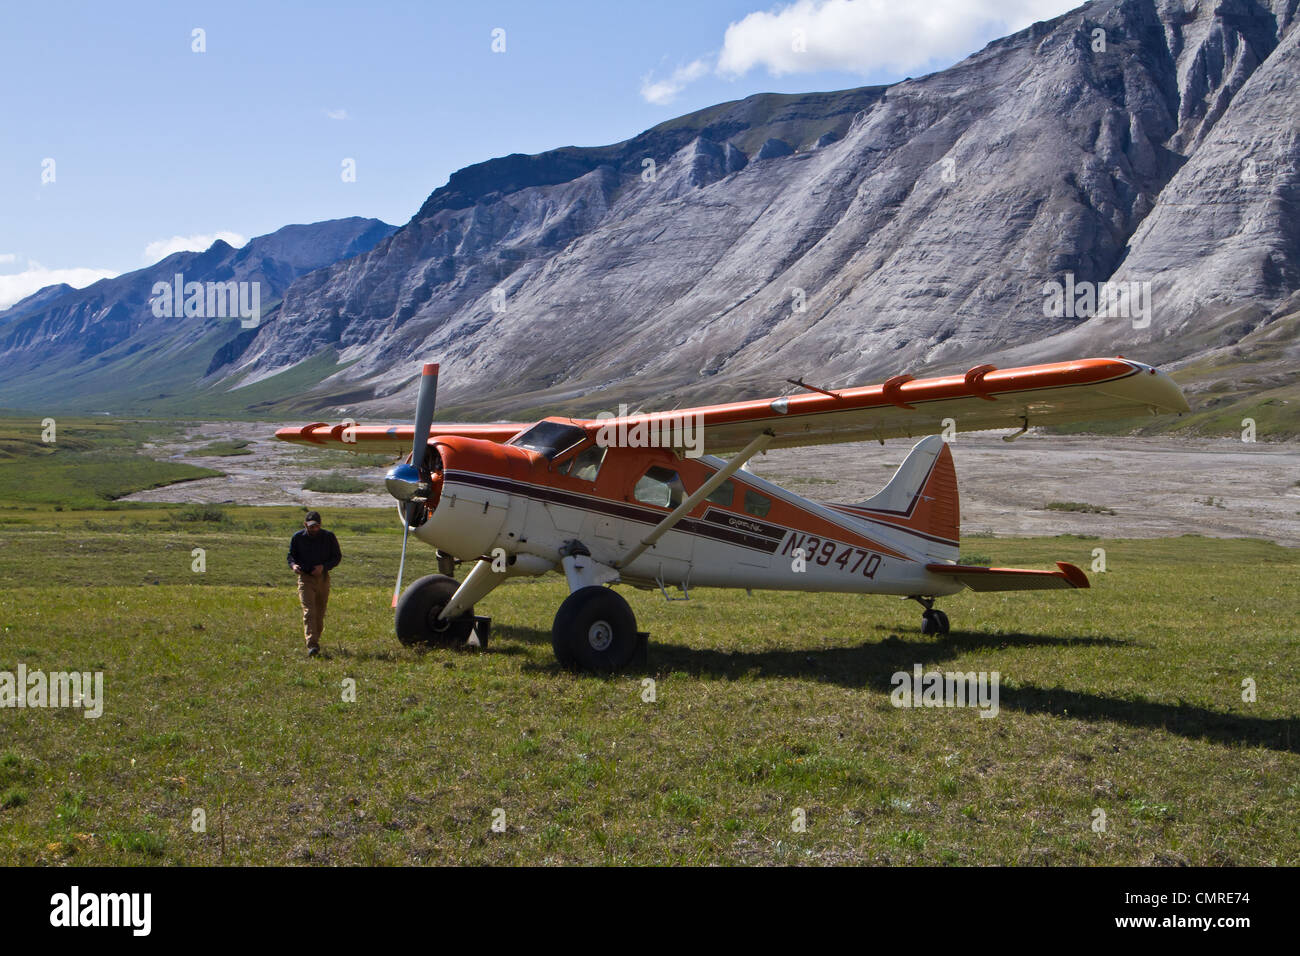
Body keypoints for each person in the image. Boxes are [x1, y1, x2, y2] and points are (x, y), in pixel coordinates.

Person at [287, 510, 342, 656]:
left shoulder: (329, 537)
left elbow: (337, 557)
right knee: (309, 611)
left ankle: (315, 638)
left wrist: (323, 567)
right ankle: (312, 644)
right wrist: (293, 566)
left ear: (320, 525)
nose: (314, 529)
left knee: (320, 611)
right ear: (305, 524)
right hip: (305, 578)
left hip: (323, 578)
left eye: (316, 526)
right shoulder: (297, 538)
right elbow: (291, 556)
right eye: (311, 526)